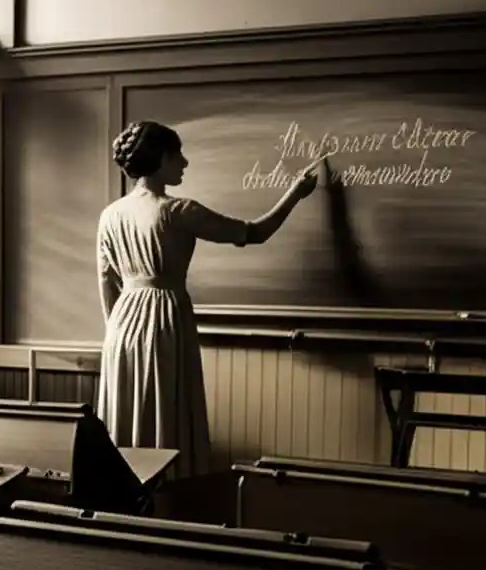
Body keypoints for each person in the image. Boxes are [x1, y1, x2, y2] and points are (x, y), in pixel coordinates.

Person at [96, 120, 324, 478]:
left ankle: (127, 497)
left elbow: (106, 282)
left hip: (120, 327)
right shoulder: (178, 211)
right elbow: (255, 232)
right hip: (163, 320)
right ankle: (166, 492)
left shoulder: (110, 215)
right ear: (159, 159)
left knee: (130, 414)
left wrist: (115, 331)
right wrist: (295, 192)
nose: (185, 163)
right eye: (178, 156)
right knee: (166, 411)